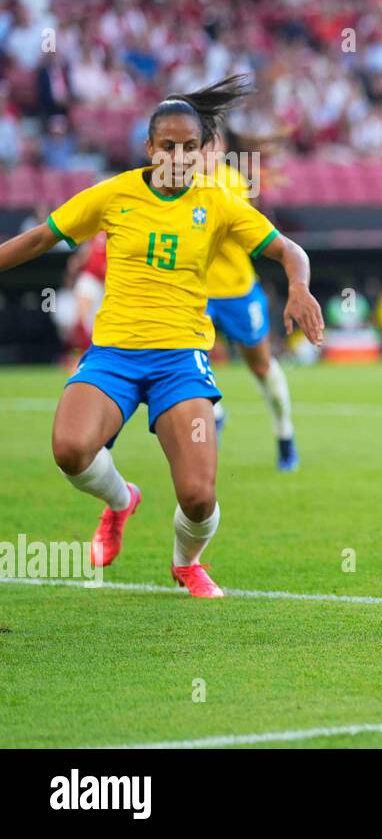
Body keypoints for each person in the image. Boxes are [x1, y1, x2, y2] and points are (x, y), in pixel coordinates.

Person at [0, 75, 325, 598]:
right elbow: (42, 237)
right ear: (149, 148)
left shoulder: (217, 201)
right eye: (167, 145)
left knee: (198, 497)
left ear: (202, 152)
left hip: (180, 359)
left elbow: (290, 250)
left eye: (189, 147)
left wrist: (299, 288)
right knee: (69, 449)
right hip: (113, 355)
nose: (178, 155)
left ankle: (185, 563)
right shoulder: (114, 193)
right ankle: (122, 500)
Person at [203, 132, 299, 470]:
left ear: (222, 149)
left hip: (236, 289)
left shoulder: (231, 182)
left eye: (210, 144)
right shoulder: (173, 184)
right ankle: (213, 412)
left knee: (260, 366)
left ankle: (284, 434)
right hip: (194, 290)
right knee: (183, 358)